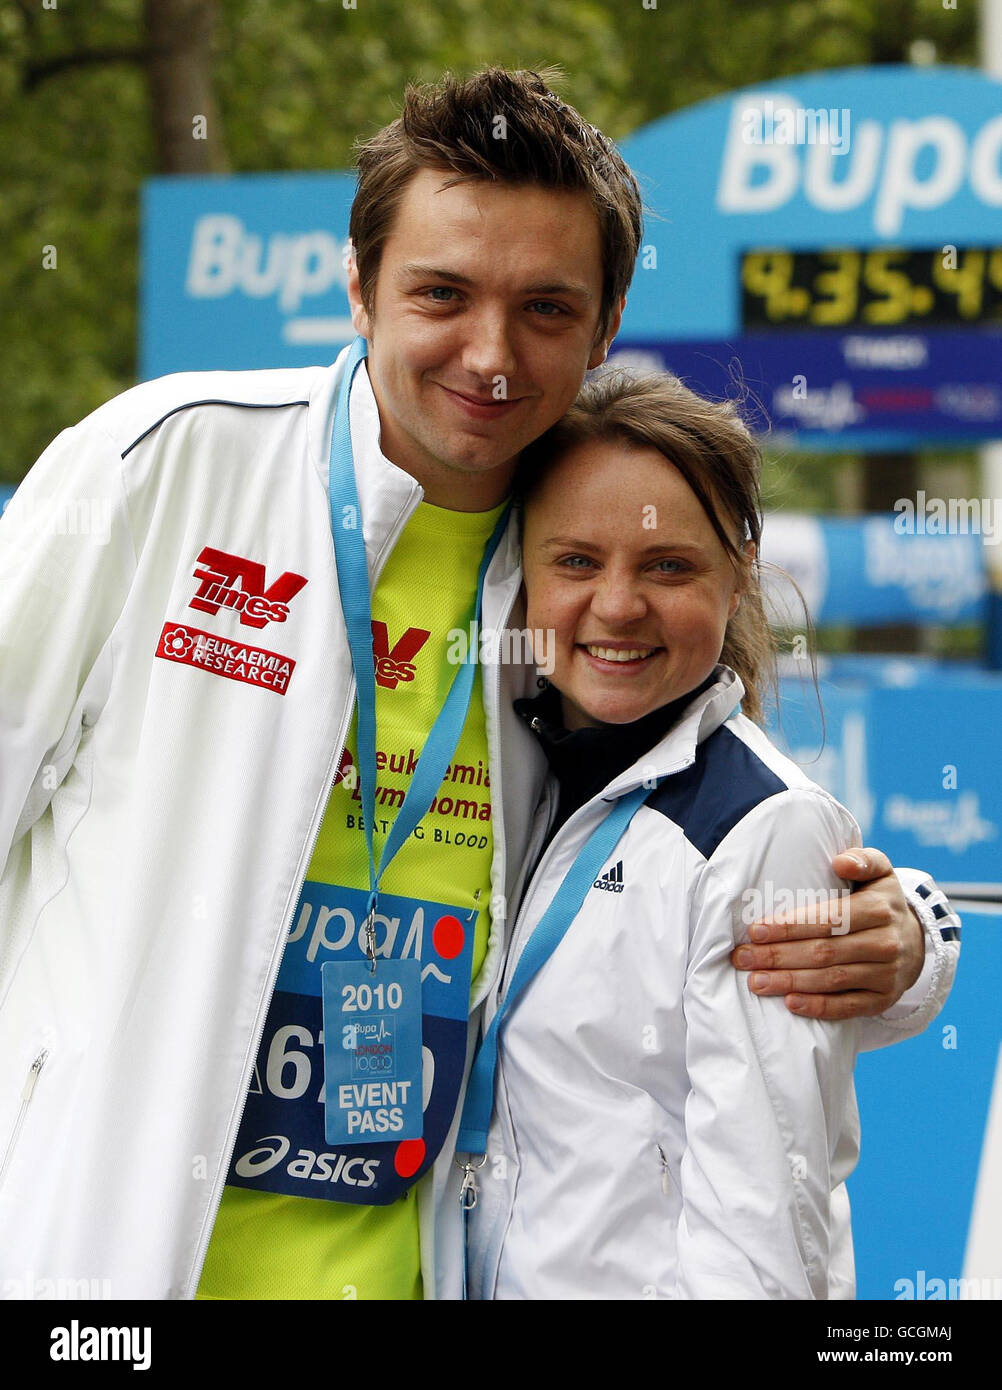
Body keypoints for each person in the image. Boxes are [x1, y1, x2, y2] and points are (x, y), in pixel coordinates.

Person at [0, 69, 957, 1302]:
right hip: (102, 1260)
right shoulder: (169, 464)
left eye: (546, 309)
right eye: (441, 294)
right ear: (359, 285)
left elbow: (695, 840)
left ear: (607, 324)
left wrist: (911, 935)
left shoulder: (575, 556)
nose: (491, 356)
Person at [461, 370, 962, 1300]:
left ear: (738, 582)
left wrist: (922, 938)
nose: (616, 605)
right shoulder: (512, 765)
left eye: (667, 566)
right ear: (521, 574)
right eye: (575, 561)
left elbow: (762, 1241)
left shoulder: (763, 831)